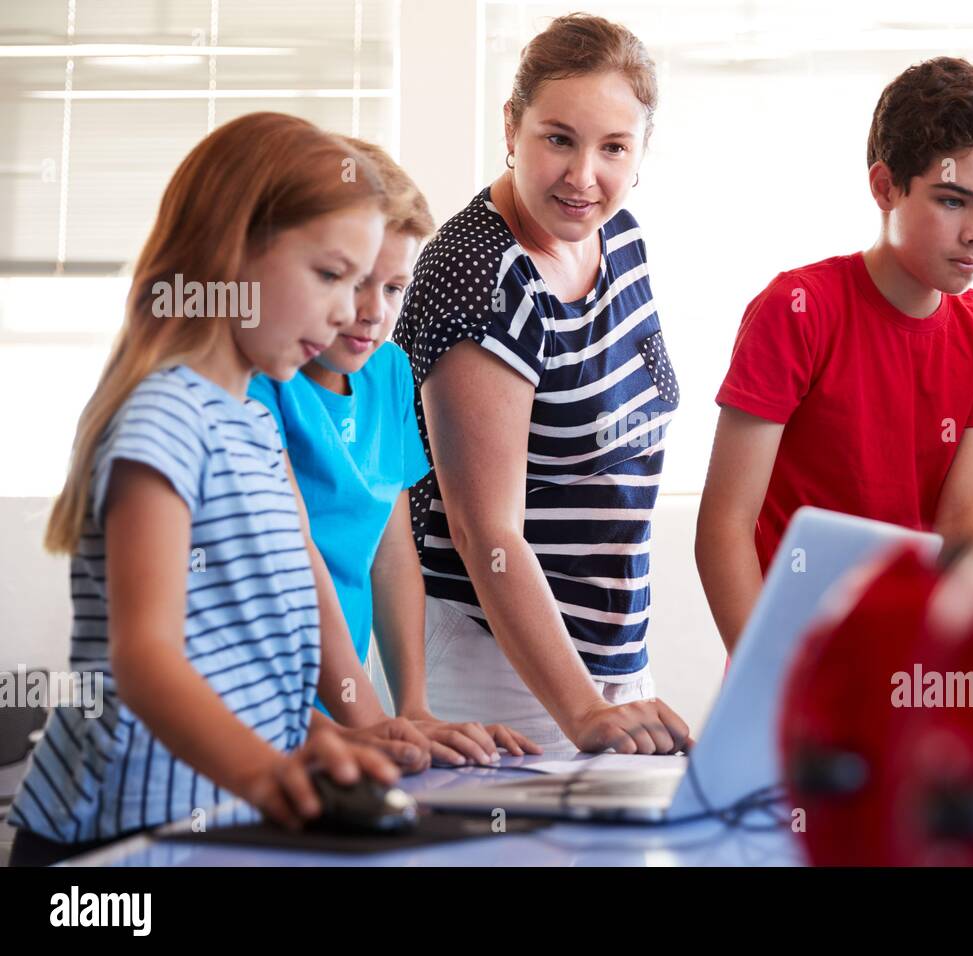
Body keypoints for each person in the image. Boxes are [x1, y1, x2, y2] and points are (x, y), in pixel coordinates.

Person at [8, 112, 401, 866]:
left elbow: (246, 657)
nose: (350, 311)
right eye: (329, 275)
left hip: (205, 820)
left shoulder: (252, 425)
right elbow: (147, 658)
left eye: (359, 284)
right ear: (234, 250)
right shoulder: (165, 418)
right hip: (107, 841)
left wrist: (322, 743)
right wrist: (266, 774)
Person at [391, 14, 690, 754]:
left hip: (610, 662)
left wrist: (611, 690)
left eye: (613, 147)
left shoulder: (617, 236)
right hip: (495, 665)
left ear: (641, 151)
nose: (583, 177)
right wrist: (583, 708)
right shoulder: (480, 275)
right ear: (511, 127)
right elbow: (483, 530)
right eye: (558, 138)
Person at [696, 57, 973, 653]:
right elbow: (723, 530)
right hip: (795, 662)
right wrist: (769, 685)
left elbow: (963, 519)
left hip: (916, 671)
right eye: (954, 201)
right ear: (885, 187)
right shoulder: (797, 308)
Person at [248, 138, 540, 768]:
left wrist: (411, 707)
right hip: (266, 709)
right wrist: (374, 719)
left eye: (394, 287)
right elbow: (296, 564)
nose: (371, 313)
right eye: (348, 281)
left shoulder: (390, 372)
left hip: (342, 709)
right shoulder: (259, 380)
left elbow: (391, 548)